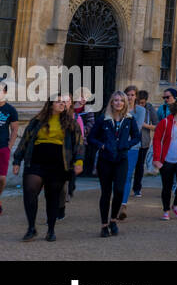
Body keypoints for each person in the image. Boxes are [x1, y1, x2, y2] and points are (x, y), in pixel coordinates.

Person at [12, 95, 83, 242]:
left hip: (58, 164)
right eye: (58, 101)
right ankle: (31, 228)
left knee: (52, 197)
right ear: (50, 104)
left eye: (64, 102)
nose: (62, 104)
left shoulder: (71, 123)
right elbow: (25, 140)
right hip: (36, 162)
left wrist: (79, 162)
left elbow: (79, 144)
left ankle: (51, 229)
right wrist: (17, 160)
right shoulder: (37, 121)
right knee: (30, 191)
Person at [89, 91, 140, 238]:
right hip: (105, 160)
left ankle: (113, 220)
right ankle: (104, 225)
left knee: (119, 190)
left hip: (121, 159)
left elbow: (136, 137)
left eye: (121, 101)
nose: (118, 103)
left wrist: (127, 144)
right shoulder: (103, 119)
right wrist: (102, 145)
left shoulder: (130, 119)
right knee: (106, 193)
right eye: (116, 100)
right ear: (111, 102)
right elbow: (92, 137)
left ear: (125, 103)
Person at [131, 88, 157, 199]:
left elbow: (157, 126)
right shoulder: (131, 107)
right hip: (131, 141)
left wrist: (145, 125)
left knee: (139, 165)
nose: (140, 105)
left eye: (142, 103)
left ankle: (137, 188)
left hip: (144, 141)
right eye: (138, 102)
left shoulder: (150, 108)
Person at [0, 80, 18, 216]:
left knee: (2, 179)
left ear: (4, 92)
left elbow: (14, 129)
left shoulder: (10, 110)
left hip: (2, 148)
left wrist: (9, 147)